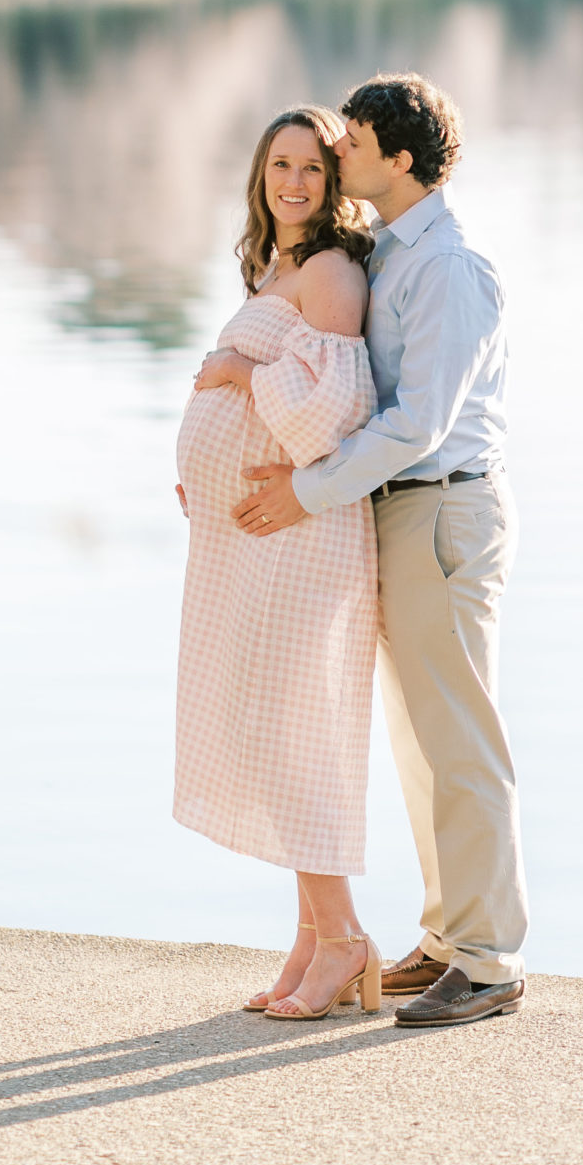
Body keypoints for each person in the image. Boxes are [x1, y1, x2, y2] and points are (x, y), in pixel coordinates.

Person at [234, 71, 527, 1028]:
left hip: (440, 509)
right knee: (419, 742)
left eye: (353, 142)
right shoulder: (393, 252)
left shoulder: (448, 266)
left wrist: (304, 493)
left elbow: (418, 422)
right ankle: (447, 940)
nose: (336, 153)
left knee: (459, 741)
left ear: (399, 159)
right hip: (397, 513)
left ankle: (487, 962)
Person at [174, 104, 384, 1021]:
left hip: (300, 533)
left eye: (310, 168)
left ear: (333, 182)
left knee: (292, 733)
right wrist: (204, 462)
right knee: (264, 726)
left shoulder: (332, 272)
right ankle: (312, 937)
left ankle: (342, 940)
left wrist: (236, 374)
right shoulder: (276, 266)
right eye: (279, 166)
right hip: (250, 534)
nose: (293, 183)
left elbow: (332, 411)